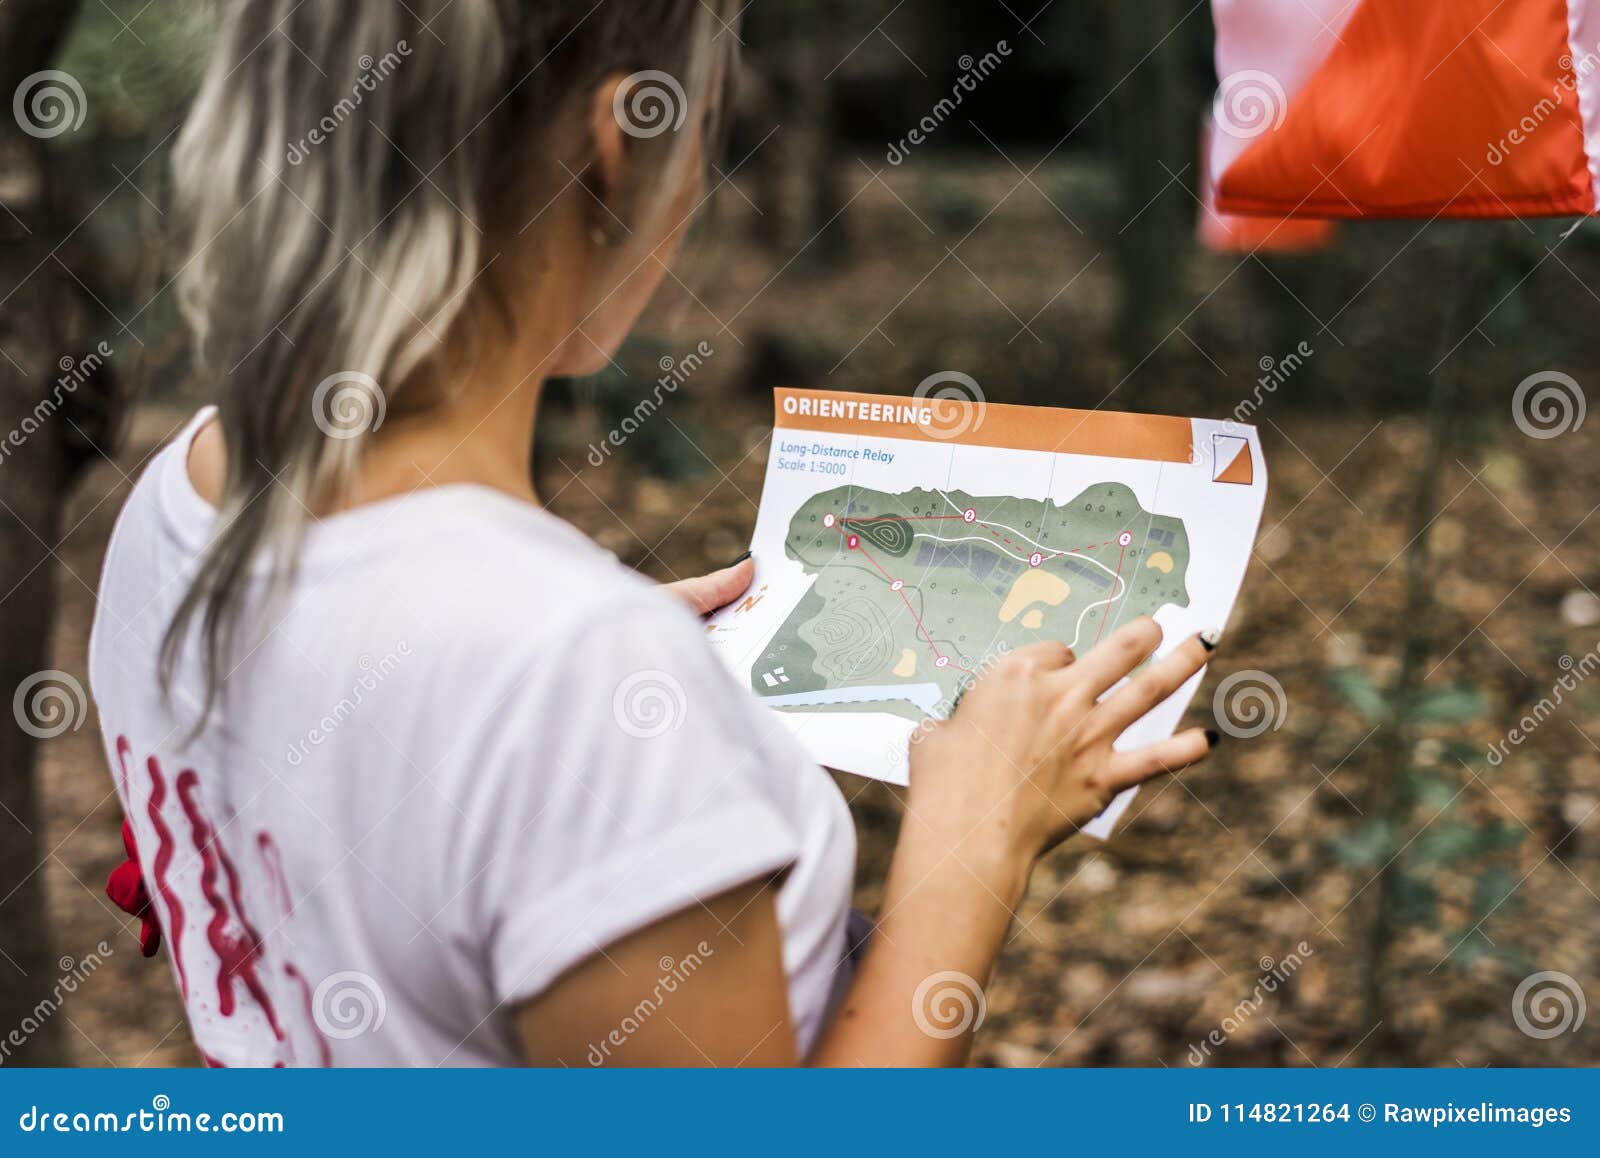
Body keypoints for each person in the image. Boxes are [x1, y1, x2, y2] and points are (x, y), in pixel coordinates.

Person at [89, 0, 1220, 1067]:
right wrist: (973, 844)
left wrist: (578, 692)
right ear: (615, 146)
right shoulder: (564, 676)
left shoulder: (181, 493)